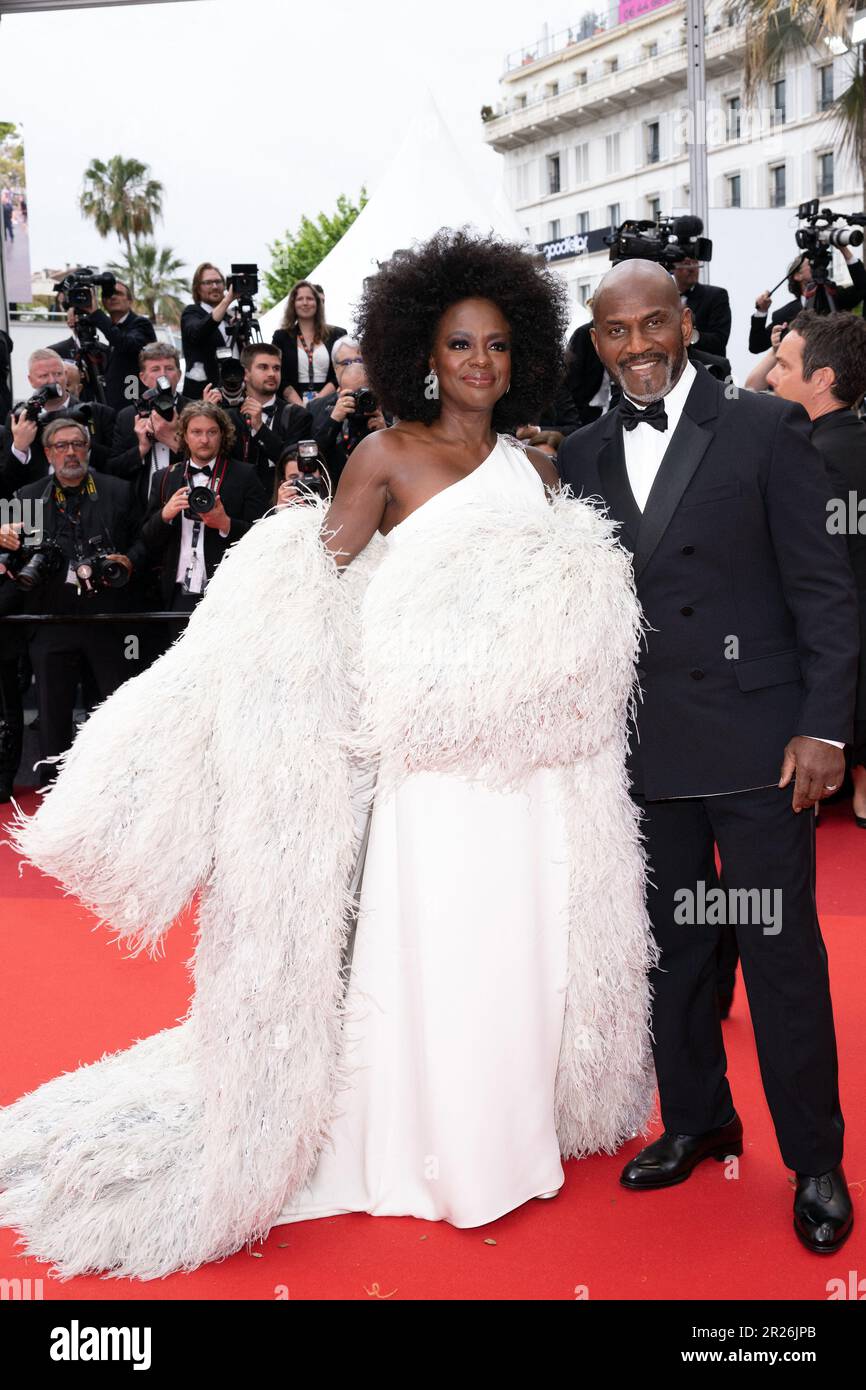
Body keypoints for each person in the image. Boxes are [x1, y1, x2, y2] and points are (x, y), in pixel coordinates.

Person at [0, 229, 655, 1280]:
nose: (478, 364)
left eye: (494, 345)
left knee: (512, 946)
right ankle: (415, 1146)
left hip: (522, 774)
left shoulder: (534, 464)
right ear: (420, 354)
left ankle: (505, 1135)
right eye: (457, 345)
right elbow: (313, 593)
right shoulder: (383, 455)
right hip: (424, 774)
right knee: (434, 946)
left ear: (519, 352)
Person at [558, 259, 858, 1255]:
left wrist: (823, 727)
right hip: (645, 758)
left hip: (761, 752)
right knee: (675, 950)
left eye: (652, 325)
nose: (636, 347)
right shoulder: (583, 452)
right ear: (594, 341)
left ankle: (812, 1156)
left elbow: (823, 589)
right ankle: (696, 1118)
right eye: (614, 333)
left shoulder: (762, 429)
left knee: (777, 953)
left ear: (683, 322)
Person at [0, 416, 140, 787]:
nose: (70, 452)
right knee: (53, 718)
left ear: (88, 450)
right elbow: (8, 561)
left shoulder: (119, 490)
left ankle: (116, 787)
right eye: (61, 446)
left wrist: (128, 560)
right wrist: (5, 541)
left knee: (112, 712)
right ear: (47, 452)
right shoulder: (28, 496)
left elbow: (142, 542)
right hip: (49, 621)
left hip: (106, 620)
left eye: (77, 444)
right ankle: (53, 792)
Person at [767, 310, 866, 825]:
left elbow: (815, 585)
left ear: (822, 379)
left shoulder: (807, 460)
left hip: (826, 677)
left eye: (783, 365)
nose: (768, 376)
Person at [137, 401, 268, 612]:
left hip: (230, 591)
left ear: (223, 435)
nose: (204, 440)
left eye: (212, 432)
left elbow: (264, 536)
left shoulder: (245, 475)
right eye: (196, 432)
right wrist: (165, 515)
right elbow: (146, 538)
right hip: (178, 591)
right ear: (185, 436)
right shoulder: (165, 478)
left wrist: (226, 524)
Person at [0, 348, 114, 497]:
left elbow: (115, 465)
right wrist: (20, 447)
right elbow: (8, 483)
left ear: (66, 376)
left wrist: (83, 443)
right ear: (31, 380)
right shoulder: (19, 418)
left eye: (58, 374)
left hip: (91, 500)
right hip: (40, 507)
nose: (52, 381)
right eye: (43, 376)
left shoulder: (97, 413)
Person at [107, 343, 190, 519]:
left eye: (169, 368)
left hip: (187, 508)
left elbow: (212, 461)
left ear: (179, 374)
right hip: (141, 513)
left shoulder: (196, 411)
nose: (163, 375)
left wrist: (171, 439)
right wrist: (141, 449)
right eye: (155, 369)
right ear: (143, 378)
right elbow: (113, 469)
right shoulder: (127, 416)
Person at [49, 281, 157, 413]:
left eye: (118, 293)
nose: (112, 297)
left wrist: (96, 313)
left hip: (134, 406)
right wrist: (77, 311)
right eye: (107, 294)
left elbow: (124, 342)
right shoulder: (111, 327)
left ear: (130, 301)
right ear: (103, 302)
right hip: (113, 406)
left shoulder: (140, 324)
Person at [226, 344, 312, 495]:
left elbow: (291, 464)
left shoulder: (298, 415)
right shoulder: (229, 416)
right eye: (263, 367)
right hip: (239, 506)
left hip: (282, 502)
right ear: (246, 374)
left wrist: (260, 428)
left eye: (276, 368)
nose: (272, 373)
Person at [749, 247, 866, 354]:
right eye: (810, 263)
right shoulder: (783, 315)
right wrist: (762, 311)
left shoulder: (835, 296)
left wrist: (844, 250)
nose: (816, 265)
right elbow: (756, 345)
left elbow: (862, 288)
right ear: (797, 276)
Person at [309, 337, 389, 487]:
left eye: (359, 360)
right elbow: (314, 457)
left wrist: (386, 430)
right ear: (334, 368)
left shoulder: (385, 405)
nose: (353, 366)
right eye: (346, 363)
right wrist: (333, 421)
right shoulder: (317, 408)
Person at [272, 281, 346, 405]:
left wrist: (318, 402)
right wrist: (300, 406)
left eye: (310, 298)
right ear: (293, 304)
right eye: (300, 299)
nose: (305, 303)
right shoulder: (281, 337)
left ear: (317, 303)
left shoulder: (337, 334)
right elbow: (279, 374)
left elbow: (342, 370)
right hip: (292, 404)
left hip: (330, 403)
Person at [180, 263, 239, 401]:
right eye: (208, 282)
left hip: (233, 392)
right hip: (201, 395)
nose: (214, 286)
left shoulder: (230, 317)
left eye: (218, 281)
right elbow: (198, 333)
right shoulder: (192, 312)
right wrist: (227, 301)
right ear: (197, 288)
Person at [671, 256, 731, 356]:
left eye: (695, 262)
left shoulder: (716, 295)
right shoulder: (664, 298)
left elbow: (719, 340)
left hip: (706, 366)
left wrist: (689, 334)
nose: (692, 268)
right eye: (686, 263)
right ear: (673, 267)